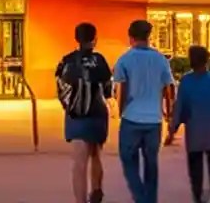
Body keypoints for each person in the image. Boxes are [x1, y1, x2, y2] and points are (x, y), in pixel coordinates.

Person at [165, 45, 210, 203]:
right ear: (207, 60)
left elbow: (180, 109)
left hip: (195, 133)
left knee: (195, 166)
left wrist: (172, 131)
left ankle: (197, 195)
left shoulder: (186, 82)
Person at [113, 19, 176, 203]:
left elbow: (122, 89)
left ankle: (141, 197)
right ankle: (150, 199)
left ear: (130, 37)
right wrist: (168, 113)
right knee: (151, 163)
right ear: (149, 36)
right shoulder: (161, 59)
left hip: (131, 118)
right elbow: (169, 88)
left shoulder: (124, 59)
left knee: (128, 160)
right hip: (154, 120)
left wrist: (121, 111)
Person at [56, 22, 113, 203]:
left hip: (76, 116)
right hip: (97, 114)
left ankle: (80, 200)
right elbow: (107, 90)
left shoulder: (67, 61)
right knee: (95, 154)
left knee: (79, 163)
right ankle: (96, 190)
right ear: (94, 39)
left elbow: (60, 89)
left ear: (76, 38)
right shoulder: (100, 60)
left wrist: (69, 106)